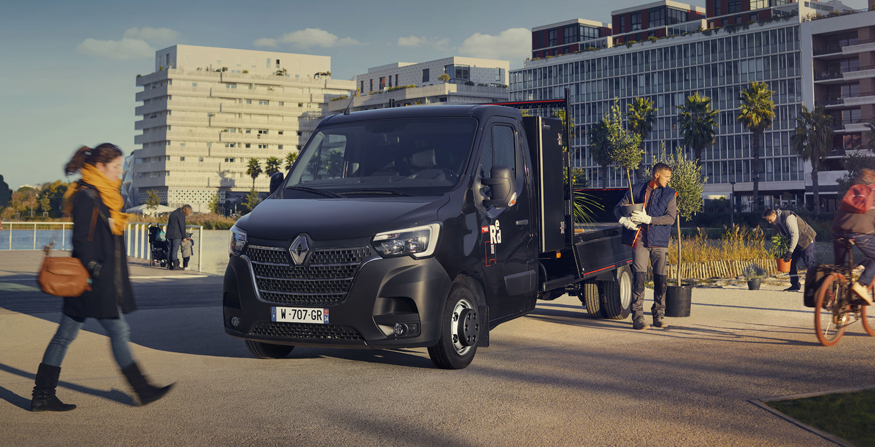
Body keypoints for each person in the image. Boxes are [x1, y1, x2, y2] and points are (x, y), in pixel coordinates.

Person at [31, 143, 173, 412]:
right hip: (94, 283)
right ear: (100, 166)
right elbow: (82, 243)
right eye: (116, 166)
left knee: (64, 336)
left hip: (93, 282)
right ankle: (143, 390)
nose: (120, 171)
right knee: (119, 331)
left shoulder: (103, 196)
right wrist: (97, 273)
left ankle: (42, 395)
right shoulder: (88, 196)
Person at [614, 162, 677, 330]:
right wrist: (623, 220)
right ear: (656, 175)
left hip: (660, 242)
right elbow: (618, 208)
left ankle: (658, 315)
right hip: (640, 240)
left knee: (661, 279)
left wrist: (648, 219)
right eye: (667, 177)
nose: (669, 180)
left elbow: (671, 218)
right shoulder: (636, 190)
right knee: (639, 278)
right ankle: (638, 317)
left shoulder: (670, 194)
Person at [831, 169, 875, 305]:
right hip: (860, 233)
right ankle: (861, 285)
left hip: (838, 231)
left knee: (841, 268)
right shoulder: (872, 191)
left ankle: (838, 302)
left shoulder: (852, 190)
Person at [763, 207, 816, 292]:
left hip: (807, 240)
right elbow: (784, 237)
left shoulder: (788, 217)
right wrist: (784, 251)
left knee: (808, 263)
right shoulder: (777, 222)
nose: (769, 222)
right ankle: (795, 285)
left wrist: (790, 251)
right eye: (768, 220)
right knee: (792, 262)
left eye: (769, 220)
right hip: (797, 243)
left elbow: (794, 235)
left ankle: (817, 285)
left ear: (774, 215)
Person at [165, 204, 191, 270]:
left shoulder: (174, 213)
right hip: (176, 234)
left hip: (170, 234)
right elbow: (182, 226)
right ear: (187, 210)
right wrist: (184, 237)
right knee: (175, 250)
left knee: (170, 249)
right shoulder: (181, 214)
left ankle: (169, 265)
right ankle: (175, 266)